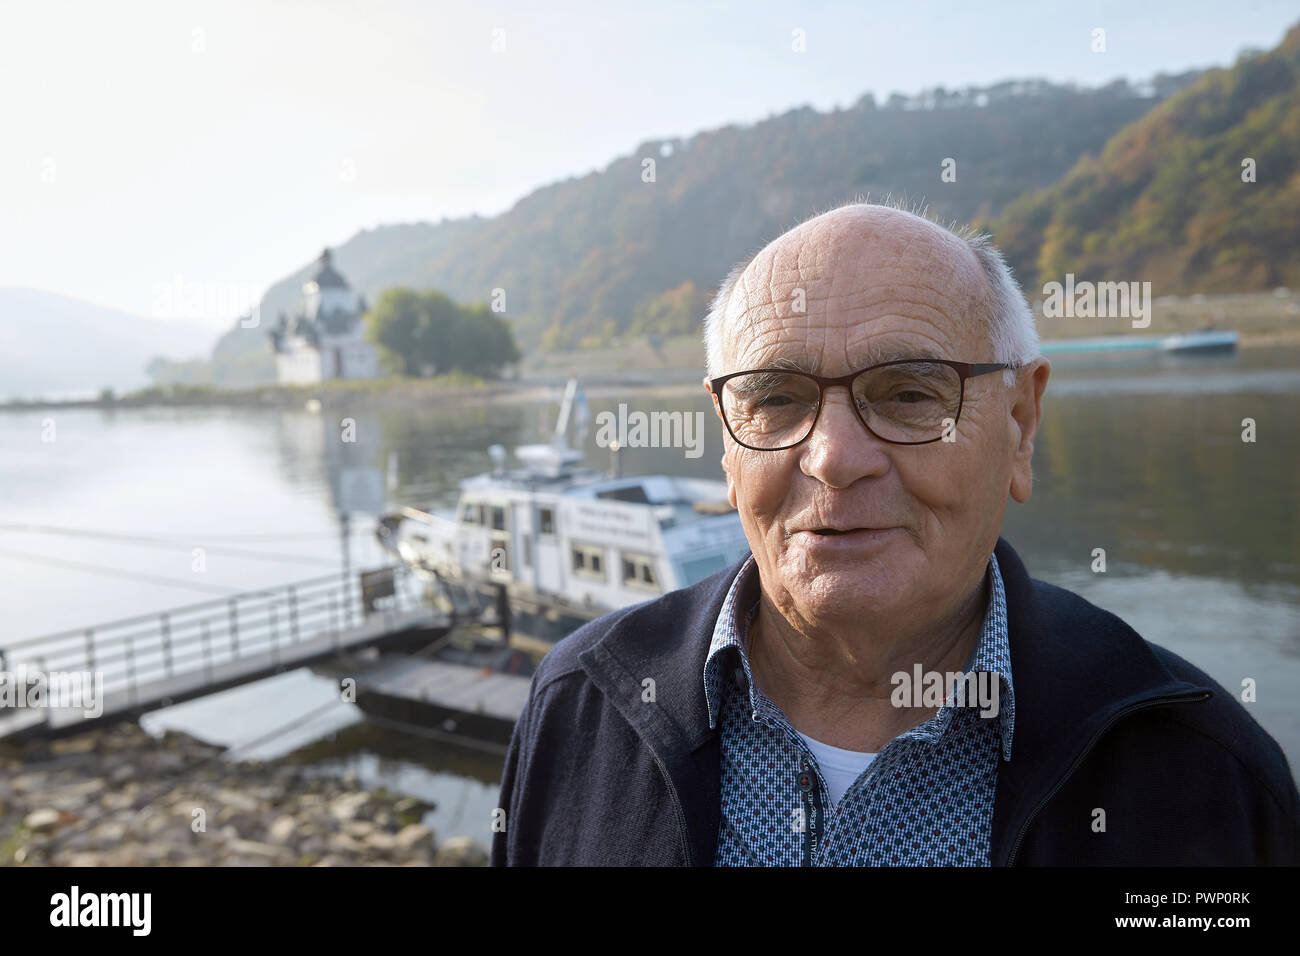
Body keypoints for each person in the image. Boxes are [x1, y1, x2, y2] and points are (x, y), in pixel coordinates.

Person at [491, 201, 1299, 866]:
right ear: (727, 445)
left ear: (1021, 425)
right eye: (775, 400)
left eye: (910, 393)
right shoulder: (583, 706)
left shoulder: (1201, 773)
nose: (835, 458)